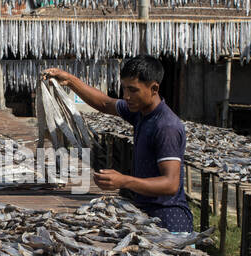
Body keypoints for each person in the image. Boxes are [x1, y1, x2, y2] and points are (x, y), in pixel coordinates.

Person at [43, 55, 192, 233]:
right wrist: (69, 80)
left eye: (133, 90)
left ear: (154, 89)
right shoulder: (141, 113)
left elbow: (170, 184)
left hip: (171, 224)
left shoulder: (166, 127)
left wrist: (124, 181)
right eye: (124, 88)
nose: (126, 96)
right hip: (149, 217)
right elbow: (105, 103)